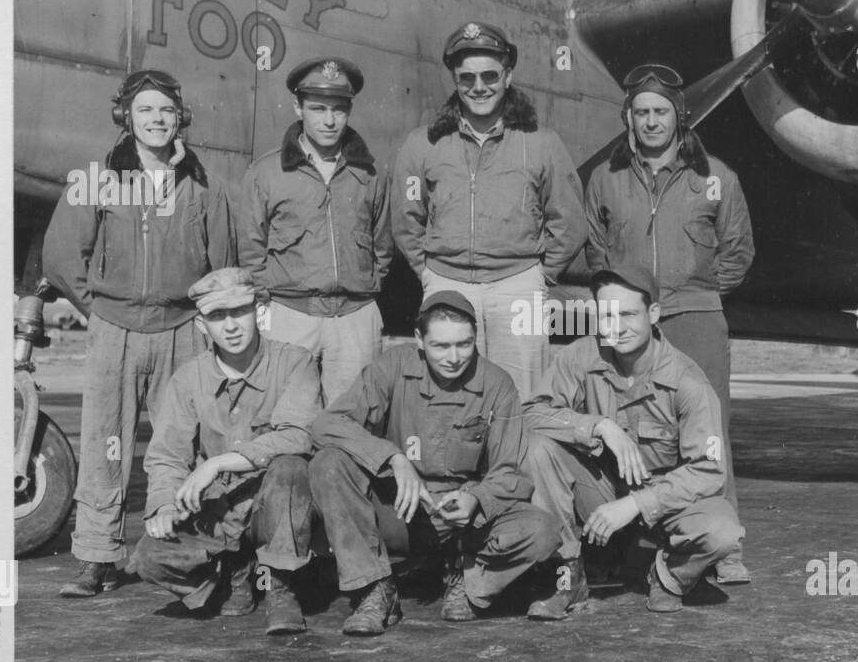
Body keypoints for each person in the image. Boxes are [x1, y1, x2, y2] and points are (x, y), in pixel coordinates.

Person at [43, 69, 234, 598]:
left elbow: (224, 264)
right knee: (107, 445)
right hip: (116, 331)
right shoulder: (96, 180)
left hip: (182, 332)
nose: (156, 119)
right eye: (145, 110)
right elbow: (62, 256)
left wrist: (206, 321)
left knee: (187, 447)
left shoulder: (204, 186)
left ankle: (193, 558)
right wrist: (96, 310)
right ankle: (96, 557)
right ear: (126, 117)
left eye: (166, 111)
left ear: (181, 119)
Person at [584, 63, 755, 583]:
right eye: (641, 113)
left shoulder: (716, 177)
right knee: (630, 423)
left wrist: (693, 293)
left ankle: (723, 548)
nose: (651, 122)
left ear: (678, 117)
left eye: (660, 112)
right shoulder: (605, 179)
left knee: (708, 434)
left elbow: (738, 252)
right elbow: (595, 250)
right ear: (628, 119)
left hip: (697, 318)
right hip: (631, 322)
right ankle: (627, 538)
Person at [308, 291, 560, 631]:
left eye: (464, 344)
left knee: (541, 530)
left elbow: (509, 471)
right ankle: (374, 589)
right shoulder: (392, 366)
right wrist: (392, 457)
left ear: (476, 339)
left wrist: (475, 498)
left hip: (463, 524)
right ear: (419, 340)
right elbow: (327, 424)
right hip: (401, 510)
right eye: (441, 346)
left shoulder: (498, 384)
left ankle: (466, 577)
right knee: (328, 463)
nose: (454, 357)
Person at [523, 264, 745, 616]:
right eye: (606, 314)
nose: (616, 326)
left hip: (669, 502)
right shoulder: (582, 355)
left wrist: (636, 504)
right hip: (603, 490)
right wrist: (600, 427)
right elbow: (532, 412)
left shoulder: (689, 382)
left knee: (722, 531)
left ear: (653, 314)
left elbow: (708, 471)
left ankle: (668, 575)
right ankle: (568, 571)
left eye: (628, 314)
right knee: (538, 446)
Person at [391, 21, 585, 396]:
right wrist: (430, 274)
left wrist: (537, 279)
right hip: (447, 282)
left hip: (519, 285)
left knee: (525, 394)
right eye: (467, 78)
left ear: (508, 75)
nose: (479, 87)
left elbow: (570, 221)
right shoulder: (422, 145)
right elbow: (406, 218)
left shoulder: (541, 144)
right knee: (448, 392)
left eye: (489, 75)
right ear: (454, 79)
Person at [128, 269, 323, 633]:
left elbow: (298, 436)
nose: (231, 326)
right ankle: (231, 571)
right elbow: (167, 455)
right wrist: (165, 504)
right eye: (217, 316)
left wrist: (217, 463)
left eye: (239, 312)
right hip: (218, 513)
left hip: (276, 507)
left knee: (292, 468)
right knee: (147, 558)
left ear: (259, 312)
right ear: (202, 326)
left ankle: (283, 586)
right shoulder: (188, 379)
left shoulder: (295, 361)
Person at [238, 57, 392, 405]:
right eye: (317, 108)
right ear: (298, 107)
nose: (328, 119)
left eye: (338, 109)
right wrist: (275, 303)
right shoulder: (266, 172)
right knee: (284, 418)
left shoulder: (369, 173)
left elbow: (382, 246)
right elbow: (251, 249)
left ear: (349, 110)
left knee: (354, 421)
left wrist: (362, 289)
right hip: (291, 315)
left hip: (354, 317)